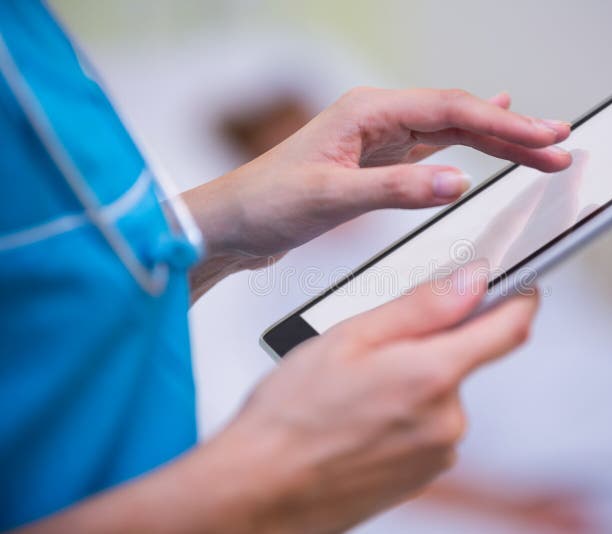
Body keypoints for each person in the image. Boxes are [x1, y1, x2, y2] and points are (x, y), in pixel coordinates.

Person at [0, 1, 572, 532]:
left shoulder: (34, 42)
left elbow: (53, 315)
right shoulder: (263, 305)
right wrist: (274, 472)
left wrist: (220, 227)